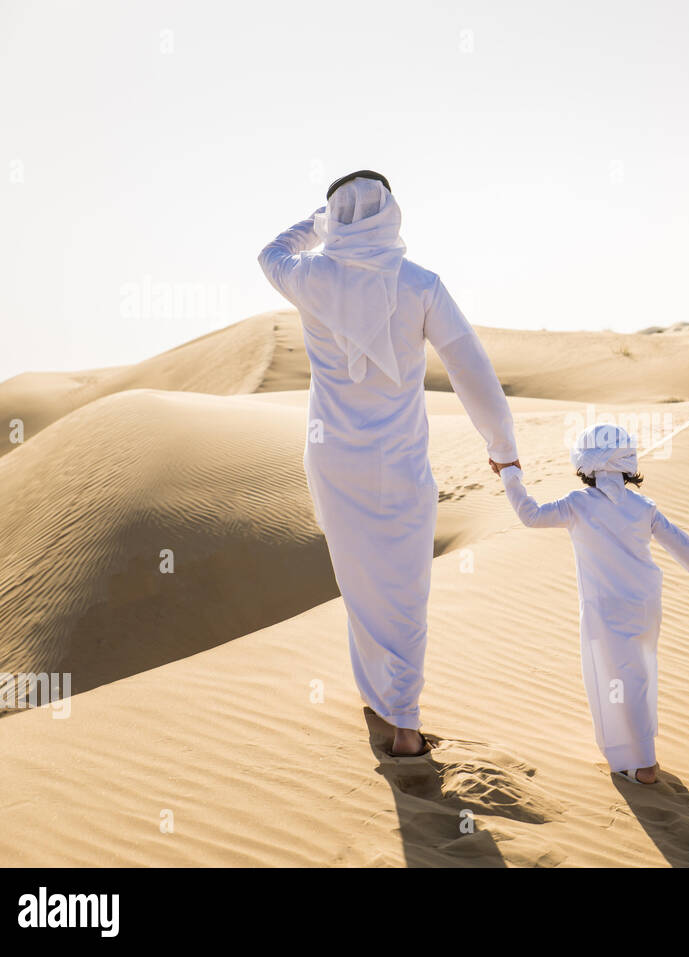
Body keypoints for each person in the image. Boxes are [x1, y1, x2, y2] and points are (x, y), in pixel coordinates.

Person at [258, 170, 519, 758]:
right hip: (398, 461)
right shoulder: (421, 284)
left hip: (333, 461)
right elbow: (469, 366)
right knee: (404, 587)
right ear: (392, 212)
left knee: (360, 581)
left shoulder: (309, 276)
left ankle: (386, 703)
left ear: (336, 216)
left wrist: (317, 225)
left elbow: (269, 251)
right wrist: (502, 446)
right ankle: (401, 717)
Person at [496, 424, 689, 785]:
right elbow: (681, 543)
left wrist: (511, 474)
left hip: (606, 608)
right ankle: (637, 756)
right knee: (639, 675)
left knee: (617, 679)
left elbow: (531, 515)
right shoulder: (642, 506)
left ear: (585, 463)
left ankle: (642, 763)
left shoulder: (577, 504)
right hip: (646, 603)